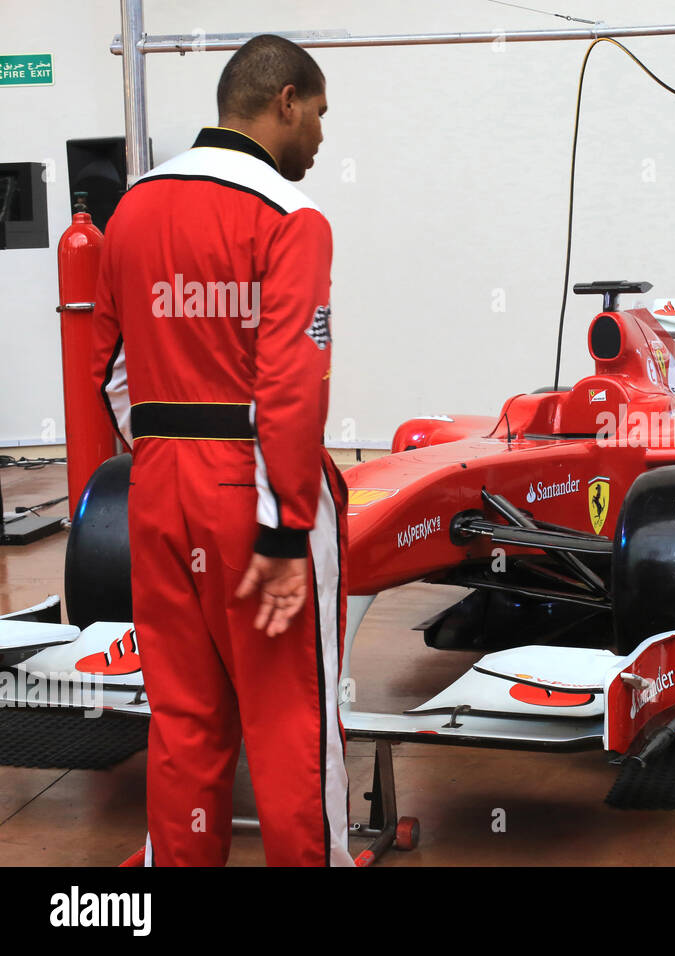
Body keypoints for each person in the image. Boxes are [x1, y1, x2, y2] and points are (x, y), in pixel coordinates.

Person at [90, 35, 352, 864]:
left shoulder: (132, 207)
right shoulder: (291, 216)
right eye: (317, 114)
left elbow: (112, 369)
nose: (319, 137)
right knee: (290, 723)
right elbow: (291, 386)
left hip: (157, 488)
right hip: (252, 493)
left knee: (185, 721)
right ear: (284, 101)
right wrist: (281, 532)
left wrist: (162, 455)